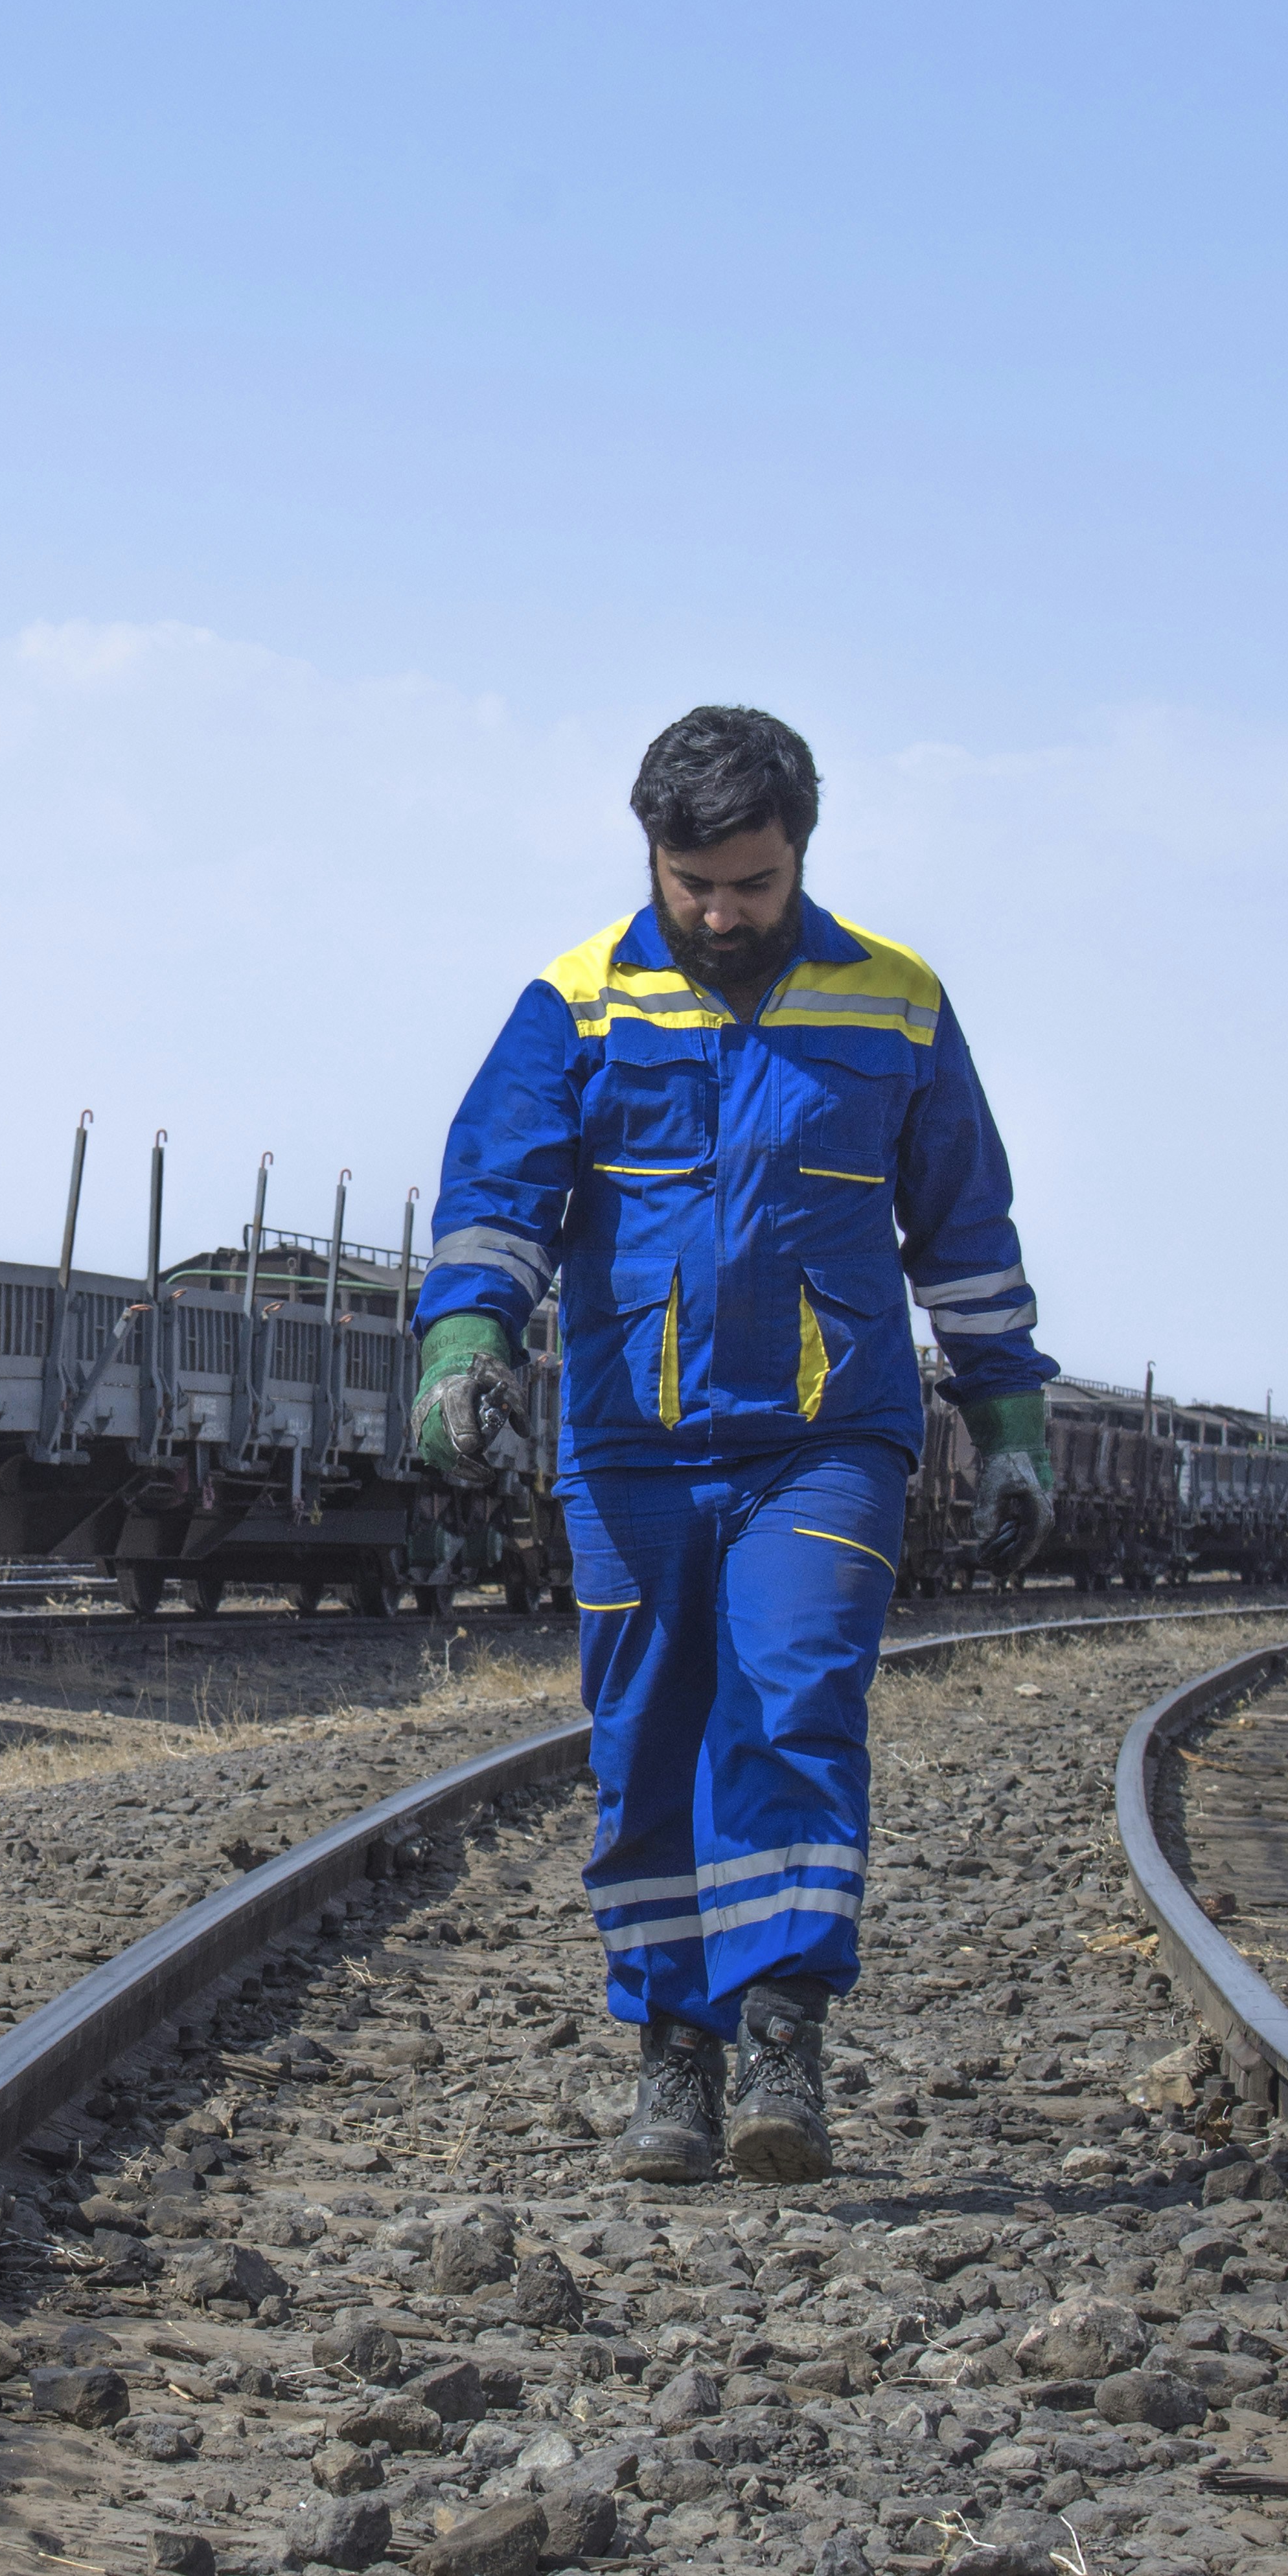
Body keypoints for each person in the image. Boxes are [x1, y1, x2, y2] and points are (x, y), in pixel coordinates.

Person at [410, 704, 1055, 2183]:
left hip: (828, 1440)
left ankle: (780, 2030)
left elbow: (962, 1228)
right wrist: (466, 1343)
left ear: (799, 857)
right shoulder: (572, 1006)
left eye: (749, 886)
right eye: (690, 883)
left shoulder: (893, 1005)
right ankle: (671, 2059)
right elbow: (495, 1195)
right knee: (645, 1742)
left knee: (791, 1699)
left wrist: (1006, 1421)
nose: (717, 912)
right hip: (630, 1448)